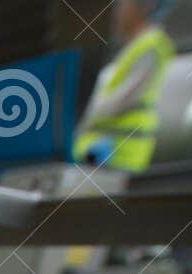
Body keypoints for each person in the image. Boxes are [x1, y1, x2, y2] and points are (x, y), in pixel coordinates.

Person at [73, 0, 177, 173]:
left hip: (117, 152)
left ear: (144, 6)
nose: (115, 11)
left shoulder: (152, 45)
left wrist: (79, 116)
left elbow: (120, 99)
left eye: (121, 4)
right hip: (103, 150)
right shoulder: (134, 46)